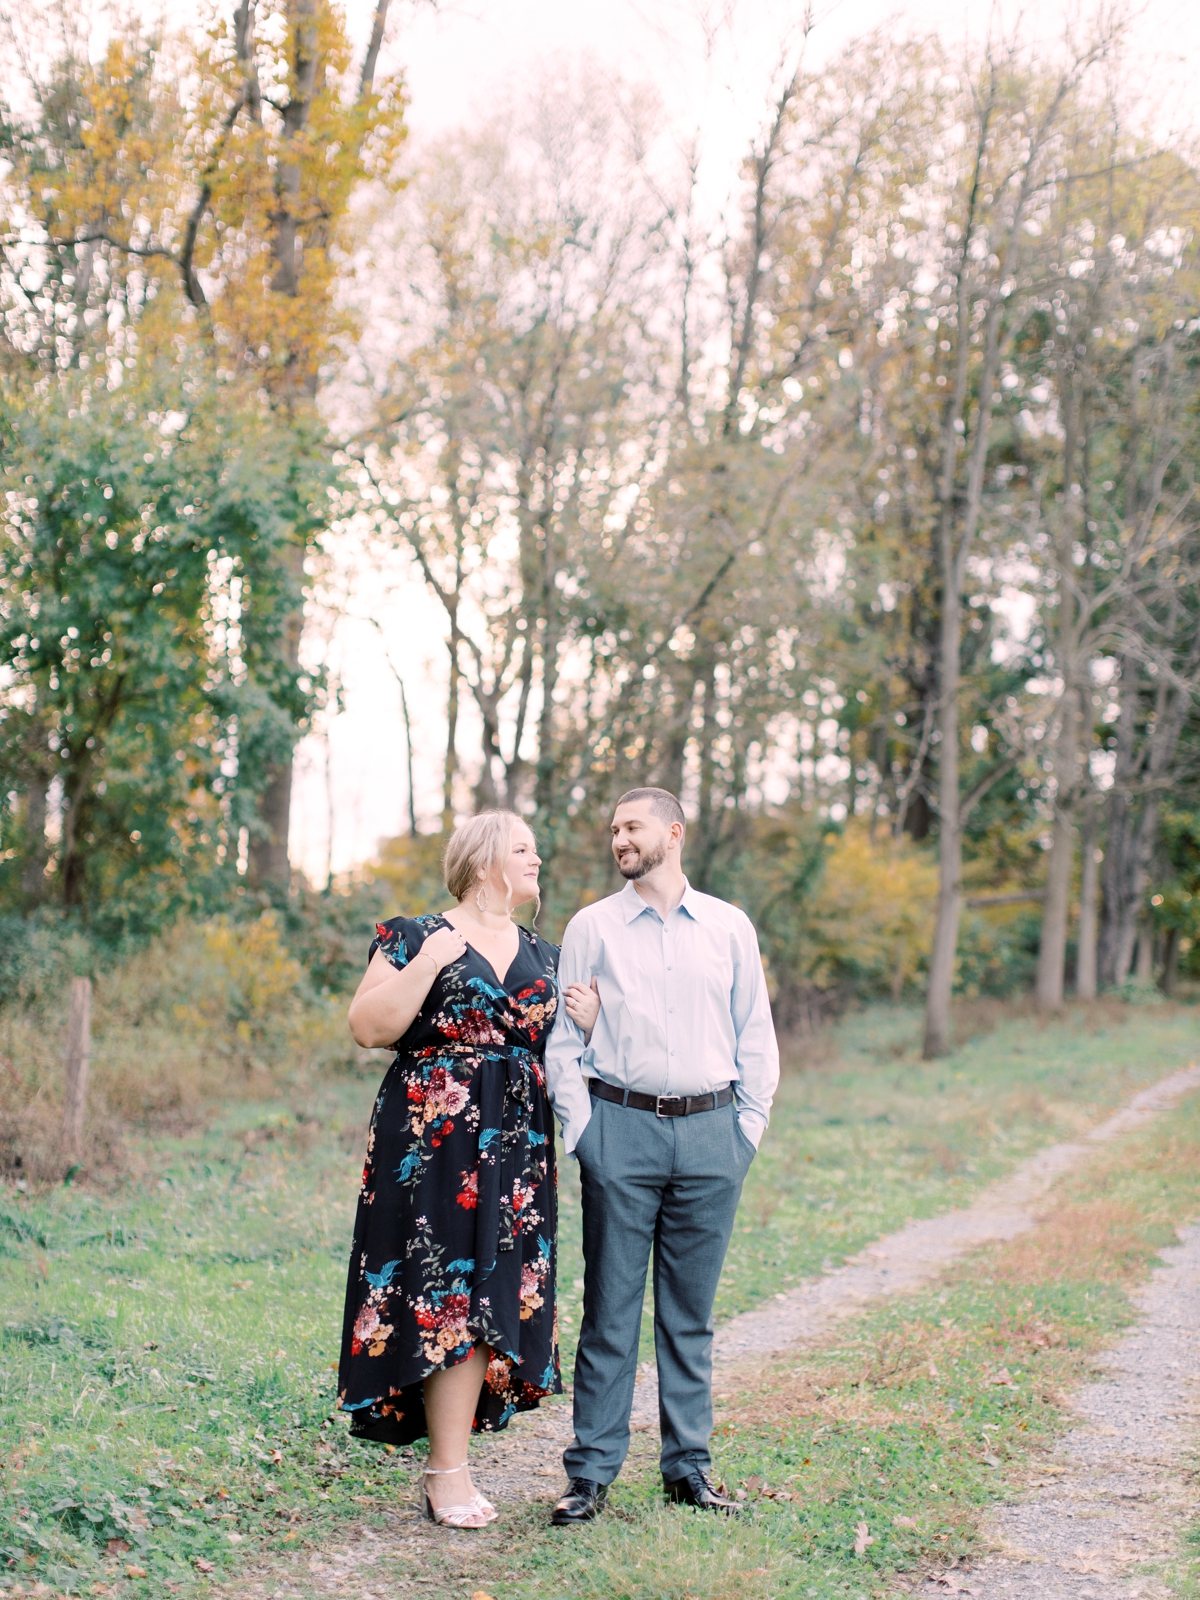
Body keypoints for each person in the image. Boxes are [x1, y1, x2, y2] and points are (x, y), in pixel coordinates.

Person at [339, 811, 600, 1529]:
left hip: (517, 1145)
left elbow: (571, 1059)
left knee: (491, 1293)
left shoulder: (548, 955)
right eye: (523, 847)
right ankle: (446, 1472)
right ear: (485, 860)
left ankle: (450, 1463)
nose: (537, 858)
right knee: (441, 1293)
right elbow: (368, 1027)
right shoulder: (415, 936)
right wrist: (428, 964)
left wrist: (591, 1024)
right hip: (433, 1141)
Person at [543, 786, 779, 1524]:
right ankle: (590, 1474)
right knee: (610, 1311)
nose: (620, 839)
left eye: (633, 827)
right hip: (620, 1129)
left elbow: (755, 1032)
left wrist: (745, 1132)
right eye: (614, 829)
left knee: (690, 1315)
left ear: (673, 833)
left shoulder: (729, 927)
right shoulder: (592, 927)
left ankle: (689, 1470)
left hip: (712, 1134)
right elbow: (563, 1043)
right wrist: (585, 1135)